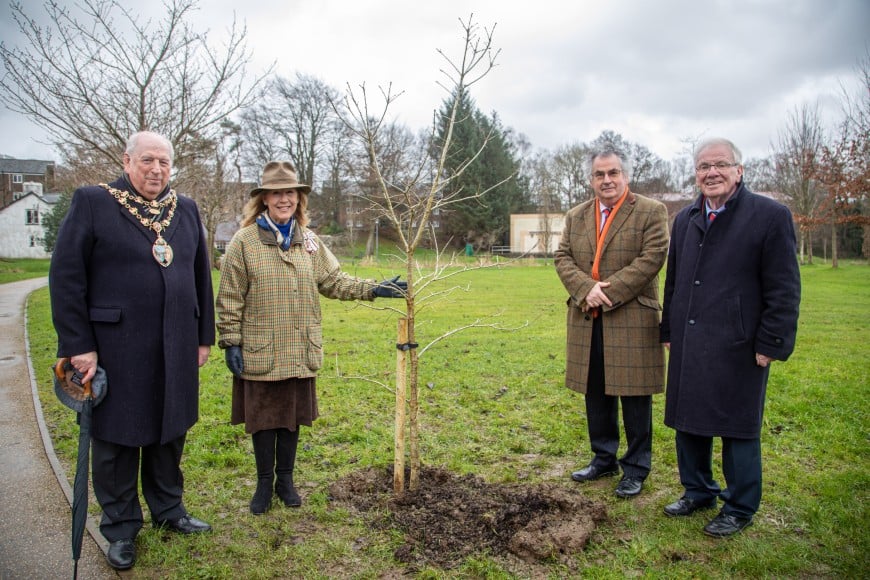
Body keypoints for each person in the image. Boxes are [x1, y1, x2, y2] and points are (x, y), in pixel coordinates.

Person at [49, 131, 216, 571]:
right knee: (118, 440)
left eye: (163, 162)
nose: (156, 170)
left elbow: (201, 276)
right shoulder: (93, 202)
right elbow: (67, 277)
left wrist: (203, 336)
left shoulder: (186, 208)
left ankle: (169, 509)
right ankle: (121, 528)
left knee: (170, 429)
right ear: (127, 161)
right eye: (147, 161)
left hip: (177, 342)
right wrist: (79, 346)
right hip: (115, 347)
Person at [216, 161, 406, 516]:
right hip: (261, 346)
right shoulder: (244, 242)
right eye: (277, 193)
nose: (284, 199)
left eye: (290, 193)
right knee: (263, 417)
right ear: (265, 199)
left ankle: (285, 481)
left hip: (299, 346)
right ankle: (262, 484)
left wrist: (375, 289)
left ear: (298, 199)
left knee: (290, 417)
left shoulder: (310, 241)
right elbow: (229, 297)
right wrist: (231, 341)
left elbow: (335, 281)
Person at [660, 137, 801, 537]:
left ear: (739, 171)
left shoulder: (770, 216)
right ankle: (698, 489)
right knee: (689, 421)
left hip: (740, 343)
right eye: (704, 166)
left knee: (738, 425)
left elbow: (784, 287)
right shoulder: (686, 218)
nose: (712, 173)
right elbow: (674, 282)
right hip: (689, 338)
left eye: (720, 164)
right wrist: (669, 329)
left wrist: (771, 342)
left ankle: (739, 505)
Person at [554, 146, 670, 499]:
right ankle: (603, 457)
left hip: (631, 315)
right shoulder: (576, 215)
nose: (607, 180)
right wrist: (585, 289)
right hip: (587, 317)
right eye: (599, 174)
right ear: (591, 180)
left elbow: (652, 258)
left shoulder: (651, 211)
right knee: (595, 390)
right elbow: (562, 256)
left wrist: (607, 291)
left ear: (626, 176)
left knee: (634, 394)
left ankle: (635, 468)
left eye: (613, 173)